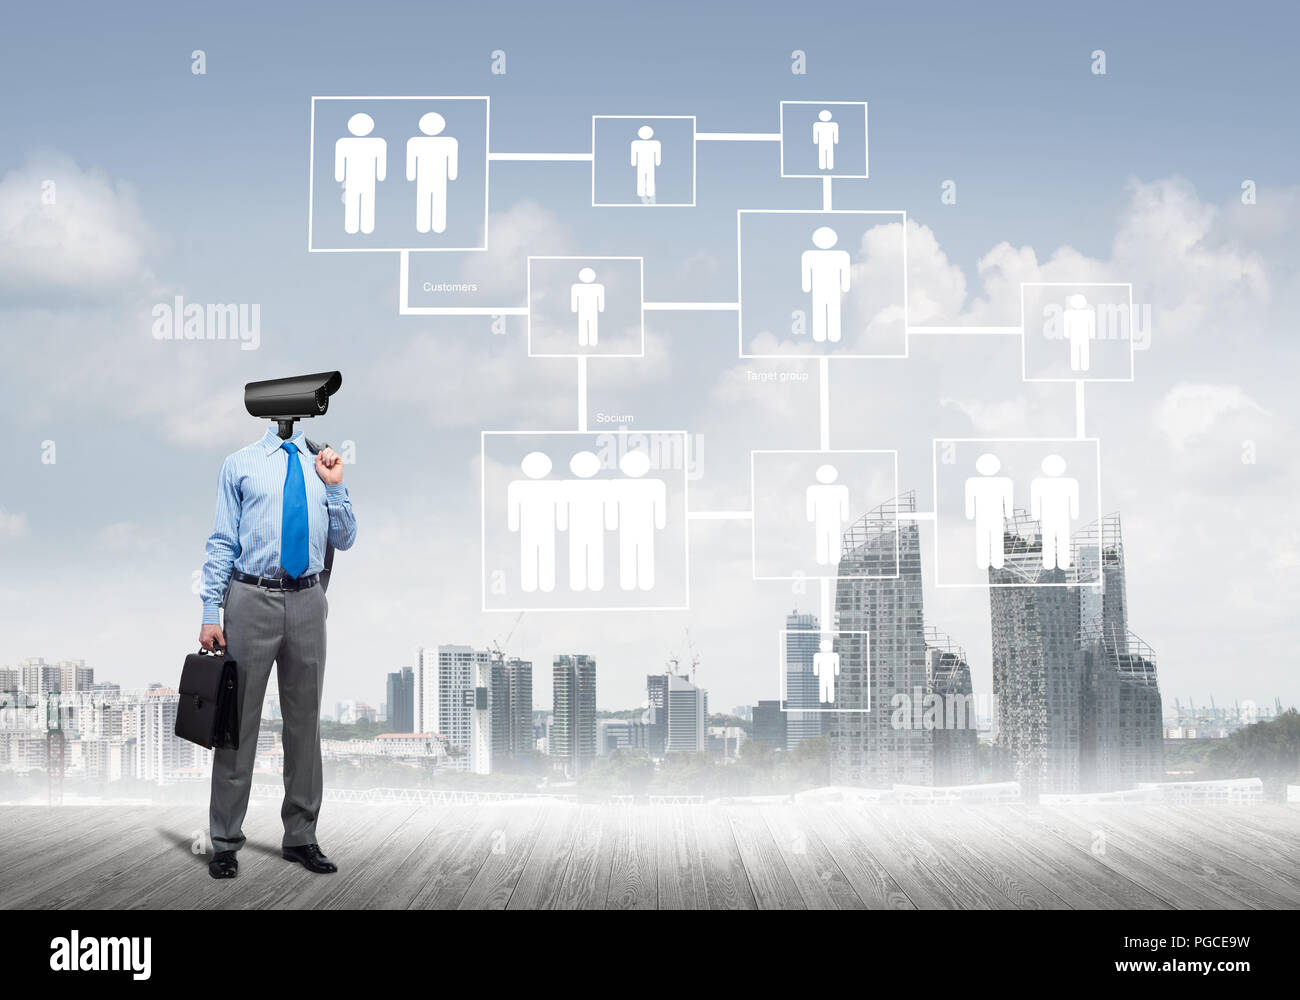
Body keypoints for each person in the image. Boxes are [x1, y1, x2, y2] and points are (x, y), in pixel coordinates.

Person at [198, 426, 357, 880]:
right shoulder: (240, 463)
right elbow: (223, 540)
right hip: (250, 599)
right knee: (237, 723)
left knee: (305, 724)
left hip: (308, 599)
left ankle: (301, 837)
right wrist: (212, 610)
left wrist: (337, 486)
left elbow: (344, 539)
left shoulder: (322, 463)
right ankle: (225, 842)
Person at [335, 112, 386, 235]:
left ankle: (365, 226)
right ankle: (353, 226)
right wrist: (340, 175)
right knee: (355, 202)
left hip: (366, 180)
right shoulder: (343, 143)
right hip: (354, 180)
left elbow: (380, 162)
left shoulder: (378, 143)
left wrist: (380, 175)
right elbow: (340, 162)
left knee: (366, 201)